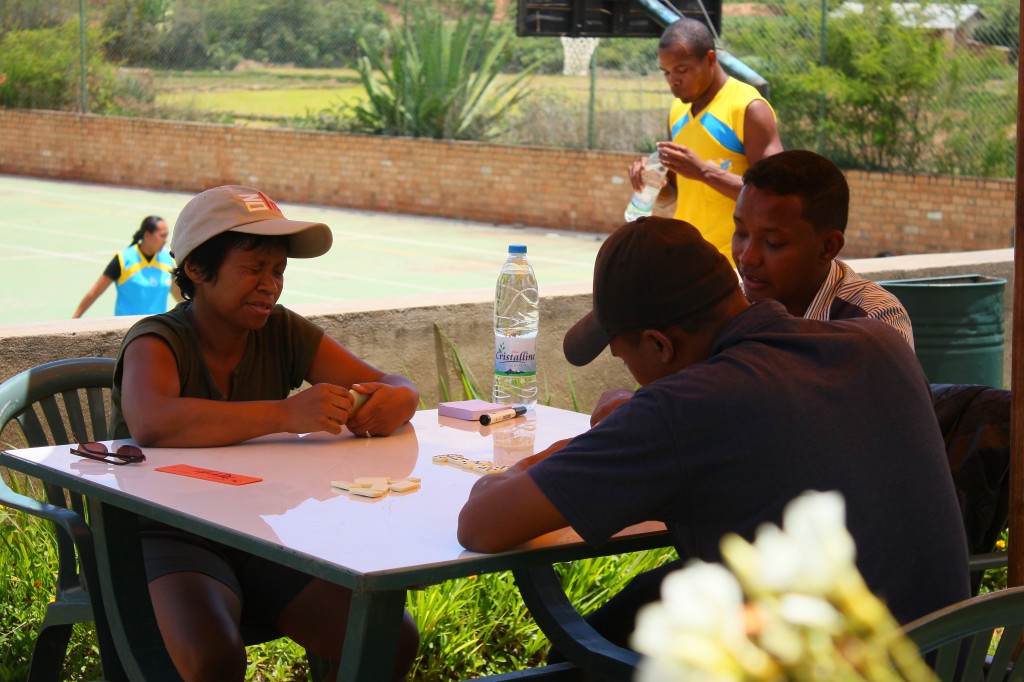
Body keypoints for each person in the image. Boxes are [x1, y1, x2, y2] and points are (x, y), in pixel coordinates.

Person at [458, 217, 969, 654]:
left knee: (581, 655)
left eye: (622, 354)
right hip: (941, 659)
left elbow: (481, 524)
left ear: (659, 344)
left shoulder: (684, 407)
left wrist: (568, 452)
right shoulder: (880, 344)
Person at [108, 186, 420, 681]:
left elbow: (390, 383)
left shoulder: (282, 331)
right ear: (196, 269)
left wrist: (401, 397)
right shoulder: (157, 340)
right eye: (252, 269)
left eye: (278, 271)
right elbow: (153, 420)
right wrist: (286, 413)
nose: (269, 285)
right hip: (165, 534)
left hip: (257, 532)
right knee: (214, 660)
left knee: (392, 639)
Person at [631, 17, 783, 264]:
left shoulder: (748, 108)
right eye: (666, 73)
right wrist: (649, 184)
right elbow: (672, 196)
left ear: (710, 59)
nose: (673, 80)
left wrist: (704, 171)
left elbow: (775, 197)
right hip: (688, 260)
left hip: (737, 266)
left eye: (681, 70)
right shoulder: (677, 112)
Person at [733, 149, 914, 347]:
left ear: (828, 247)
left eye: (774, 242)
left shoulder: (874, 322)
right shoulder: (730, 309)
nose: (747, 257)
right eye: (741, 233)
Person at [73, 215, 182, 318]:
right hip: (127, 329)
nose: (165, 240)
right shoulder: (123, 259)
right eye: (162, 236)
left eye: (166, 235)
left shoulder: (167, 260)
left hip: (156, 327)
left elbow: (176, 293)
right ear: (147, 235)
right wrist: (74, 319)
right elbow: (94, 293)